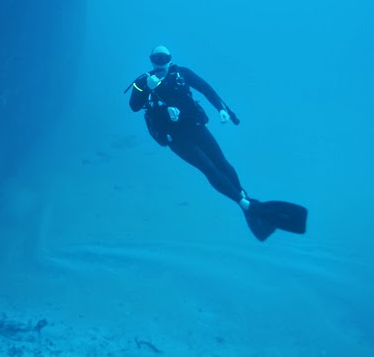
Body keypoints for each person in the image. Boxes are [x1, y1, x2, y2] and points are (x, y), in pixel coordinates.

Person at [126, 45, 307, 241]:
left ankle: (246, 201)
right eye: (157, 58)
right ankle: (245, 203)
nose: (161, 62)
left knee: (222, 163)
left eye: (164, 57)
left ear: (170, 58)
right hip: (175, 137)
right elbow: (134, 106)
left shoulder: (182, 73)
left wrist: (222, 109)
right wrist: (147, 89)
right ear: (151, 60)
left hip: (196, 127)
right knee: (209, 168)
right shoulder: (142, 81)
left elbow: (206, 89)